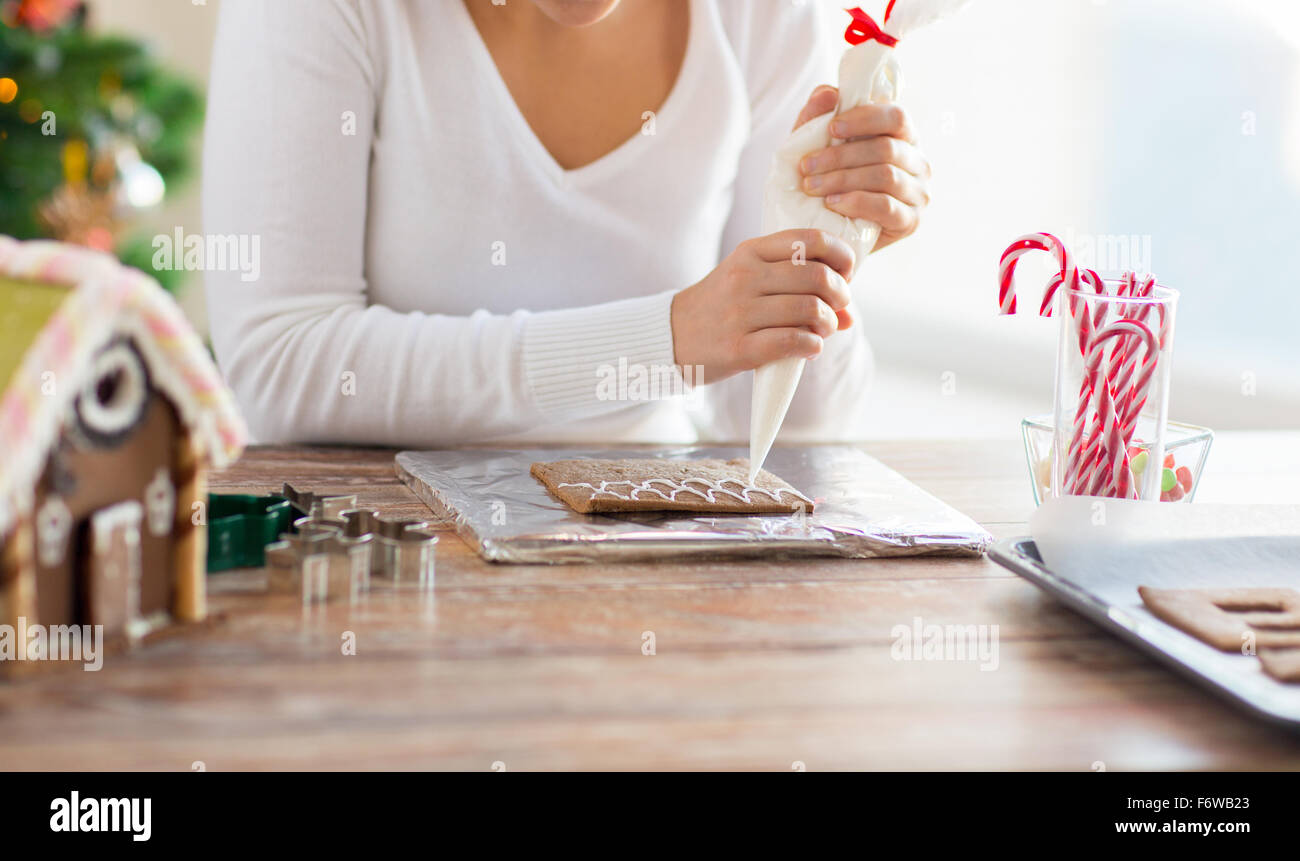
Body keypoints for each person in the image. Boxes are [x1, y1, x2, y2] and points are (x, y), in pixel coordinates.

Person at [203, 0, 930, 446]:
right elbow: (279, 365)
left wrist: (832, 243)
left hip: (653, 564)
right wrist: (664, 340)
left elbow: (786, 428)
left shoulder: (762, 16)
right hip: (388, 562)